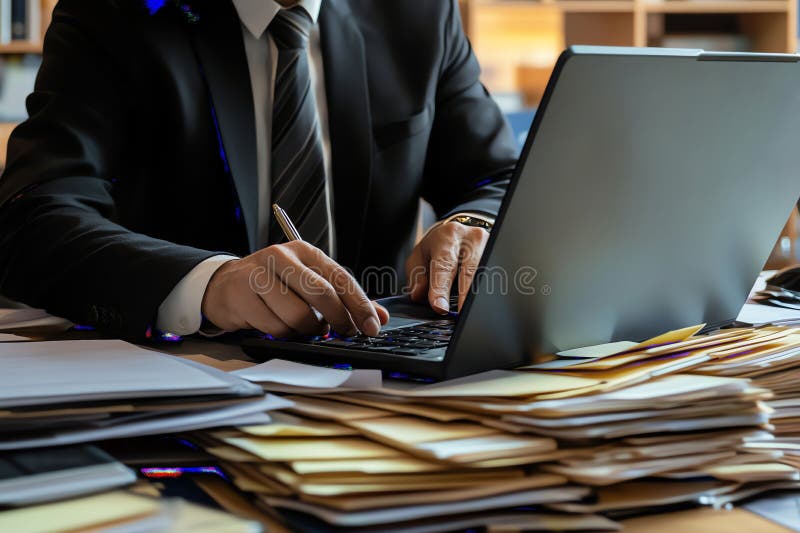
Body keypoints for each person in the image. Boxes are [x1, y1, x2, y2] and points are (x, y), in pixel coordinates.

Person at [0, 0, 517, 340]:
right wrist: (209, 283)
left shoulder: (418, 14)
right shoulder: (113, 14)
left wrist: (476, 224)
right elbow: (34, 216)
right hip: (193, 380)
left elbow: (498, 178)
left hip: (385, 365)